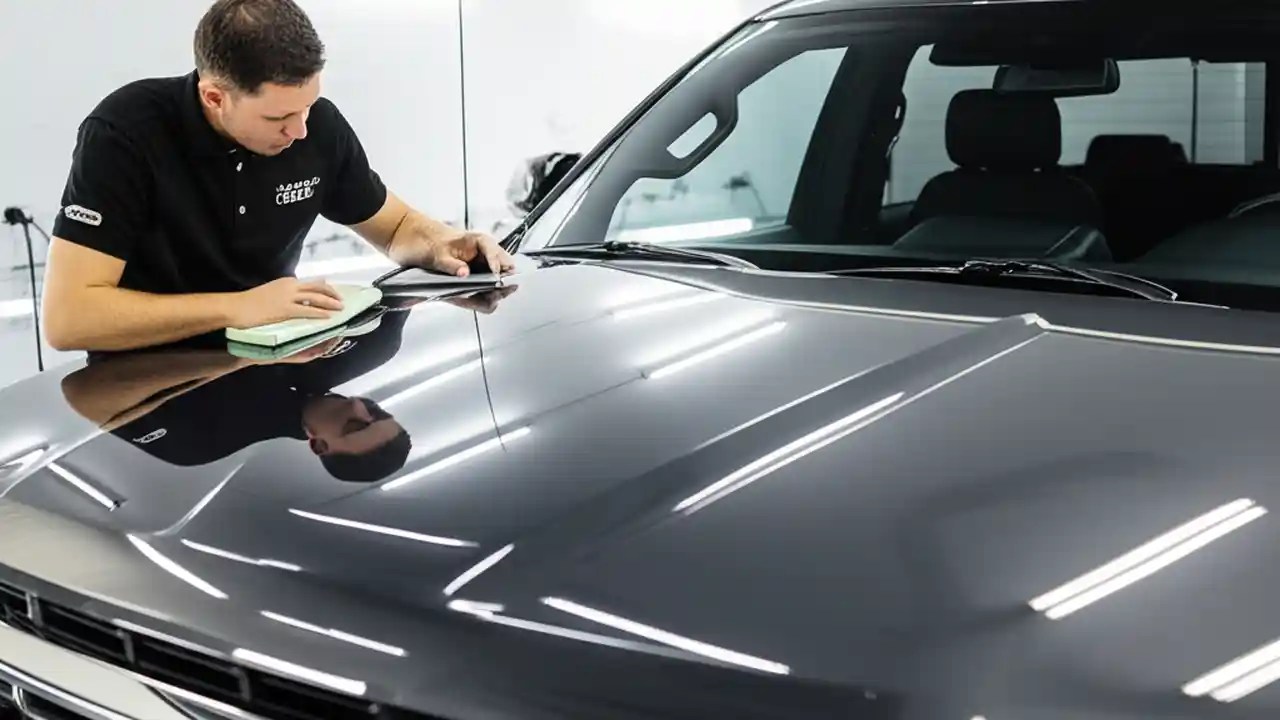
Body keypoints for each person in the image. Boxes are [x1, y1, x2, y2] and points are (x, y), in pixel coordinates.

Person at [42, 0, 515, 353]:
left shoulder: (317, 128)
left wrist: (441, 242)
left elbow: (394, 228)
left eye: (307, 106)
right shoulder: (124, 134)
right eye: (278, 118)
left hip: (274, 357)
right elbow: (70, 319)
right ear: (214, 98)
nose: (300, 129)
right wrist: (238, 307)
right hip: (148, 384)